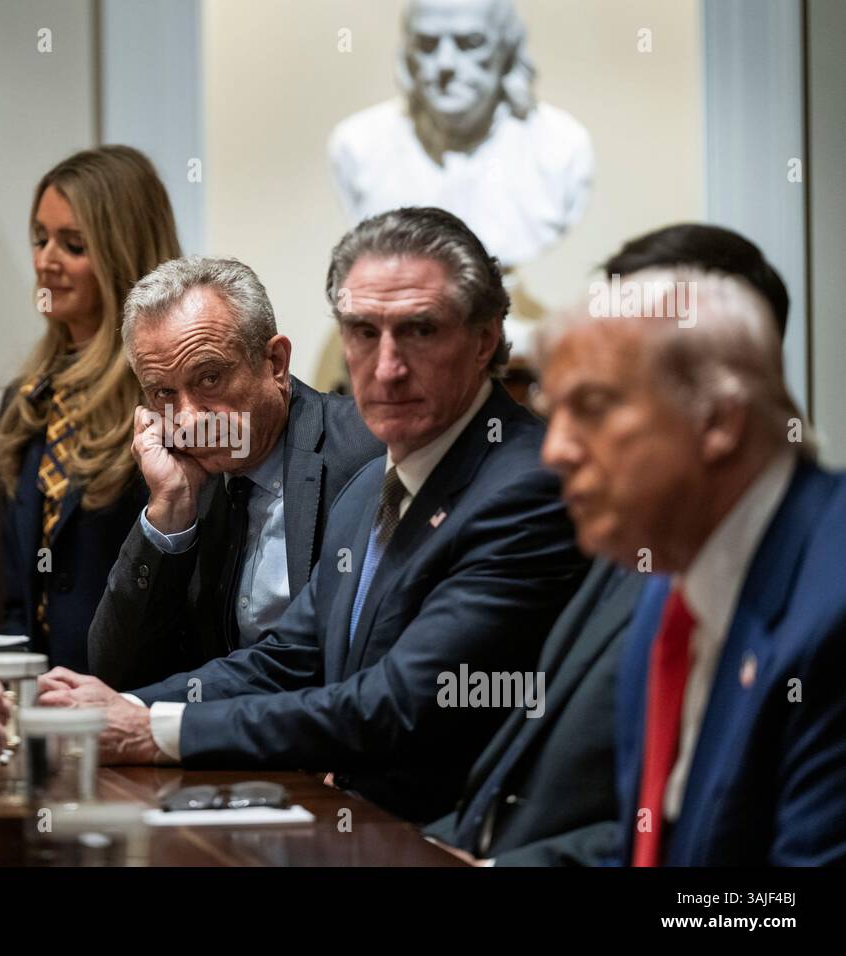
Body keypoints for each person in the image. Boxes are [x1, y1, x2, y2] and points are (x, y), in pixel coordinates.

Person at [38, 206, 588, 823]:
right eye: (361, 332)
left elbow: (397, 703)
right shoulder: (374, 486)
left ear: (484, 339)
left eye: (419, 331)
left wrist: (159, 732)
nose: (386, 367)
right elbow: (289, 658)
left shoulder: (525, 484)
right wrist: (118, 712)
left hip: (450, 833)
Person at [422, 222, 794, 866]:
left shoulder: (812, 588)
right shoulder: (651, 548)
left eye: (597, 403)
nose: (558, 448)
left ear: (719, 408)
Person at [539, 270, 846, 866]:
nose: (555, 450)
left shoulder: (833, 606)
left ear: (718, 421)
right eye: (553, 414)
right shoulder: (668, 584)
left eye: (593, 408)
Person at [86, 256, 383, 688]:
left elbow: (332, 668)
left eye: (210, 379)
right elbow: (116, 672)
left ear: (275, 363)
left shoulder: (368, 455)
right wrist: (169, 508)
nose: (188, 420)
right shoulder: (173, 472)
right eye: (164, 392)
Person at [0, 145, 182, 672]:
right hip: (37, 701)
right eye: (40, 239)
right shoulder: (26, 400)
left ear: (123, 253)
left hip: (132, 700)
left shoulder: (165, 399)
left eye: (73, 245)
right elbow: (17, 604)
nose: (47, 260)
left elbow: (181, 598)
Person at [328, 0, 593, 269]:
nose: (446, 64)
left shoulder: (562, 148)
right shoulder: (358, 146)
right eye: (427, 44)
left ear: (507, 48)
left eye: (471, 43)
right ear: (407, 51)